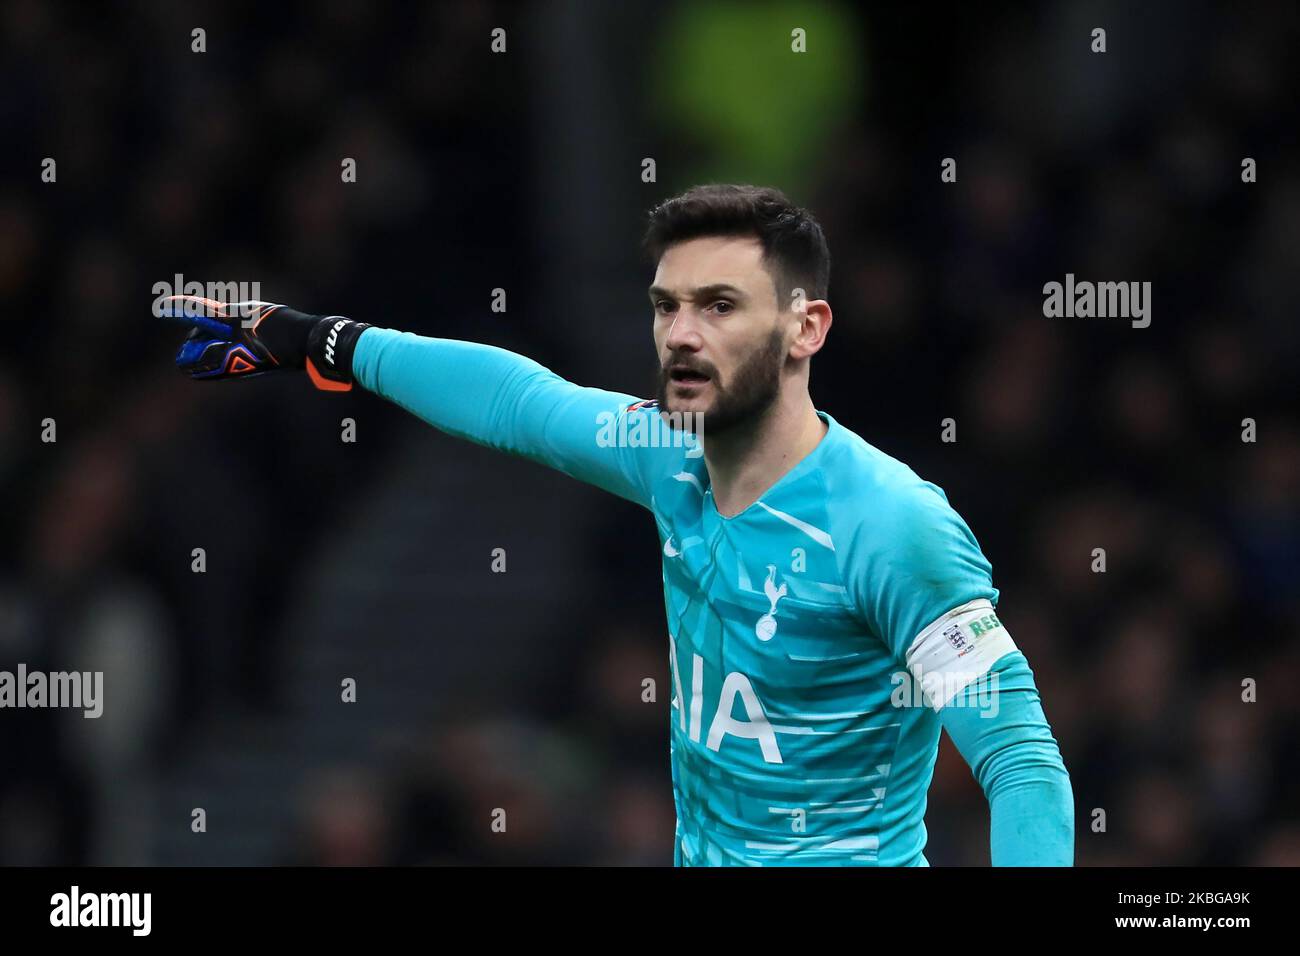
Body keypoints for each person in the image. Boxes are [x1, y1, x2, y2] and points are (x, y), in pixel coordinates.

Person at [159, 183, 1074, 866]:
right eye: (666, 306)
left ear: (807, 329)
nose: (681, 334)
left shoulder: (893, 525)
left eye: (719, 306)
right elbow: (522, 400)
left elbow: (1023, 763)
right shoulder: (667, 454)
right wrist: (319, 340)